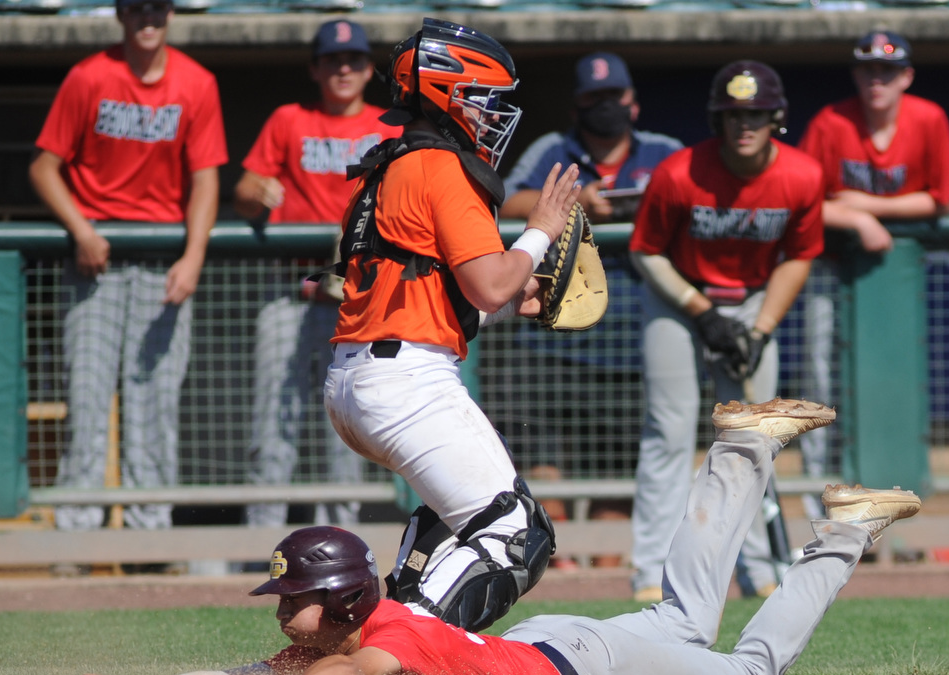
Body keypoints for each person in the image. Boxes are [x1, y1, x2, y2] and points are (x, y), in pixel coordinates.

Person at [70, 398, 923, 675]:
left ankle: (841, 525)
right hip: (550, 647)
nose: (280, 606)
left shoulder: (378, 641)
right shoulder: (339, 635)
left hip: (581, 670)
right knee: (684, 619)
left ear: (340, 600)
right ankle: (742, 448)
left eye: (292, 596)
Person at [322, 17, 581, 634]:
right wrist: (540, 232)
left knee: (454, 522)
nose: (493, 113)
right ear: (447, 94)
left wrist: (514, 295)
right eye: (483, 98)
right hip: (406, 383)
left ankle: (380, 632)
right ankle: (401, 654)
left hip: (359, 381)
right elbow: (489, 282)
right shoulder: (443, 165)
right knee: (517, 534)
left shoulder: (387, 165)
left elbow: (442, 295)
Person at [28, 0, 226, 556]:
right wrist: (81, 230)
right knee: (88, 396)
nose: (148, 18)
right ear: (119, 12)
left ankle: (150, 541)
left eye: (158, 7)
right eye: (137, 7)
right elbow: (43, 166)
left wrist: (194, 255)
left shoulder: (197, 82)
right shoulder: (90, 76)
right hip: (97, 262)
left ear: (172, 13)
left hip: (163, 263)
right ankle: (76, 540)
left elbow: (206, 178)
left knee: (154, 405)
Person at [627, 61, 825, 603]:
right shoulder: (679, 173)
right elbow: (646, 252)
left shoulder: (803, 175)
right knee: (670, 428)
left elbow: (799, 256)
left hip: (755, 299)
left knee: (753, 438)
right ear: (718, 119)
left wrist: (760, 331)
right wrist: (702, 312)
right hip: (679, 295)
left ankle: (757, 569)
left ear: (776, 118)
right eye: (734, 115)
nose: (745, 125)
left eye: (756, 114)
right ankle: (650, 570)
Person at [233, 19, 398, 530]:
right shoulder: (290, 119)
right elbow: (244, 192)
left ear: (368, 70)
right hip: (293, 289)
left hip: (358, 299)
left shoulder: (389, 127)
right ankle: (262, 537)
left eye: (353, 61)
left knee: (347, 423)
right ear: (315, 69)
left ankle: (342, 542)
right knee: (272, 421)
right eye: (332, 60)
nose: (343, 69)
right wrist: (255, 193)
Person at [797, 30, 949, 516]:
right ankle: (818, 499)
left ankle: (892, 504)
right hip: (832, 270)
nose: (877, 79)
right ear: (856, 74)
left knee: (893, 379)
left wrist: (865, 206)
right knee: (820, 382)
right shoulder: (832, 122)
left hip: (897, 276)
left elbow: (943, 199)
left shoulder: (928, 118)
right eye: (868, 69)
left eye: (887, 71)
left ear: (906, 77)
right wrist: (856, 220)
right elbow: (803, 200)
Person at [496, 52, 683, 481]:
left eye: (614, 95)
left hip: (629, 346)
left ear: (633, 102)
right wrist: (577, 201)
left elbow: (700, 200)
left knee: (612, 480)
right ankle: (551, 532)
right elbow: (508, 203)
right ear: (576, 105)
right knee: (541, 472)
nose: (605, 105)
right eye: (594, 97)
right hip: (550, 341)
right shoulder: (554, 149)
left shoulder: (664, 151)